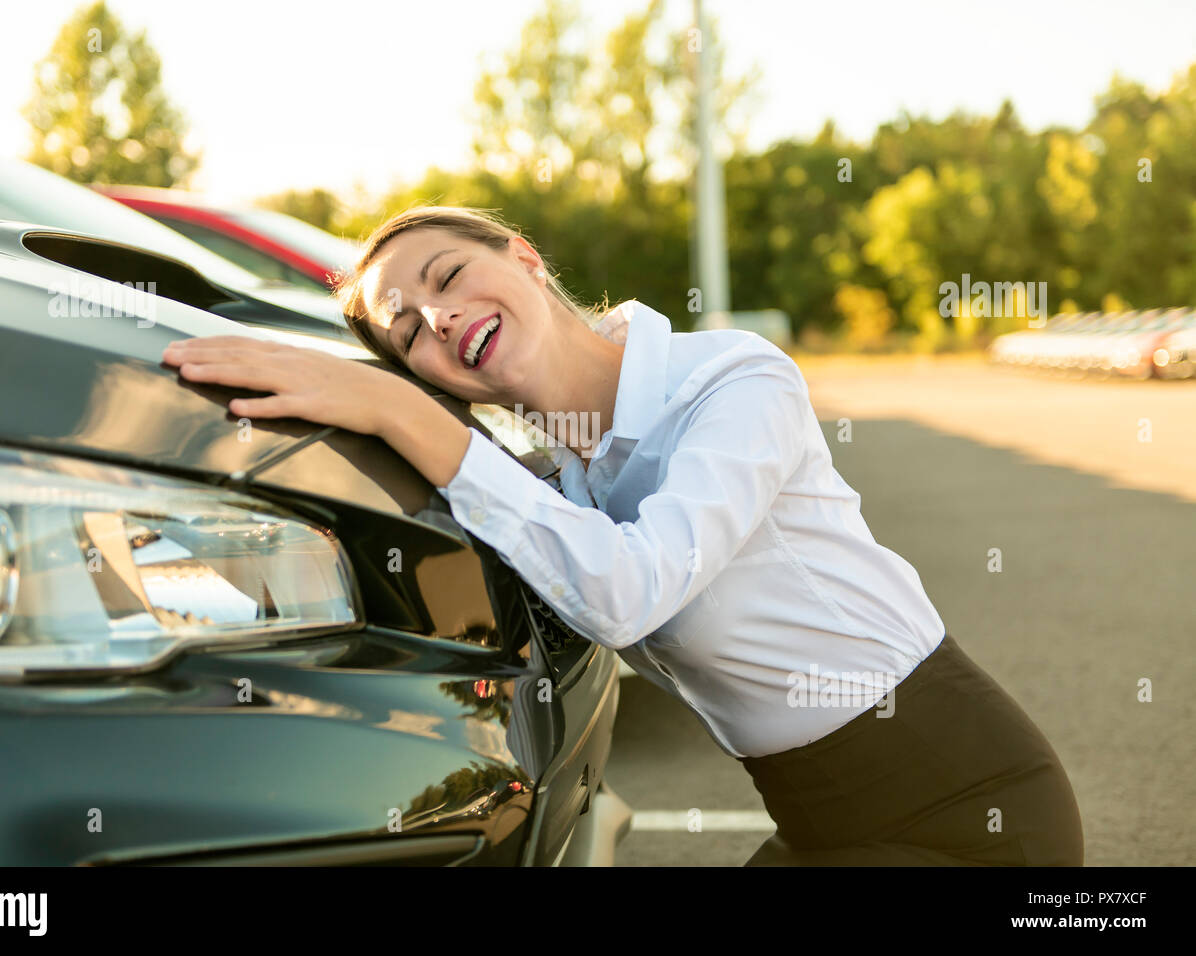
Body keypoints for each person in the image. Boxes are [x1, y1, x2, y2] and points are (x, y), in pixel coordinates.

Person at [160, 205, 1084, 866]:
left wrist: (410, 418)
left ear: (521, 256)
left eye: (445, 278)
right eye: (406, 337)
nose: (435, 318)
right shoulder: (549, 481)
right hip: (816, 822)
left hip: (969, 804)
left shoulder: (730, 379)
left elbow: (632, 586)